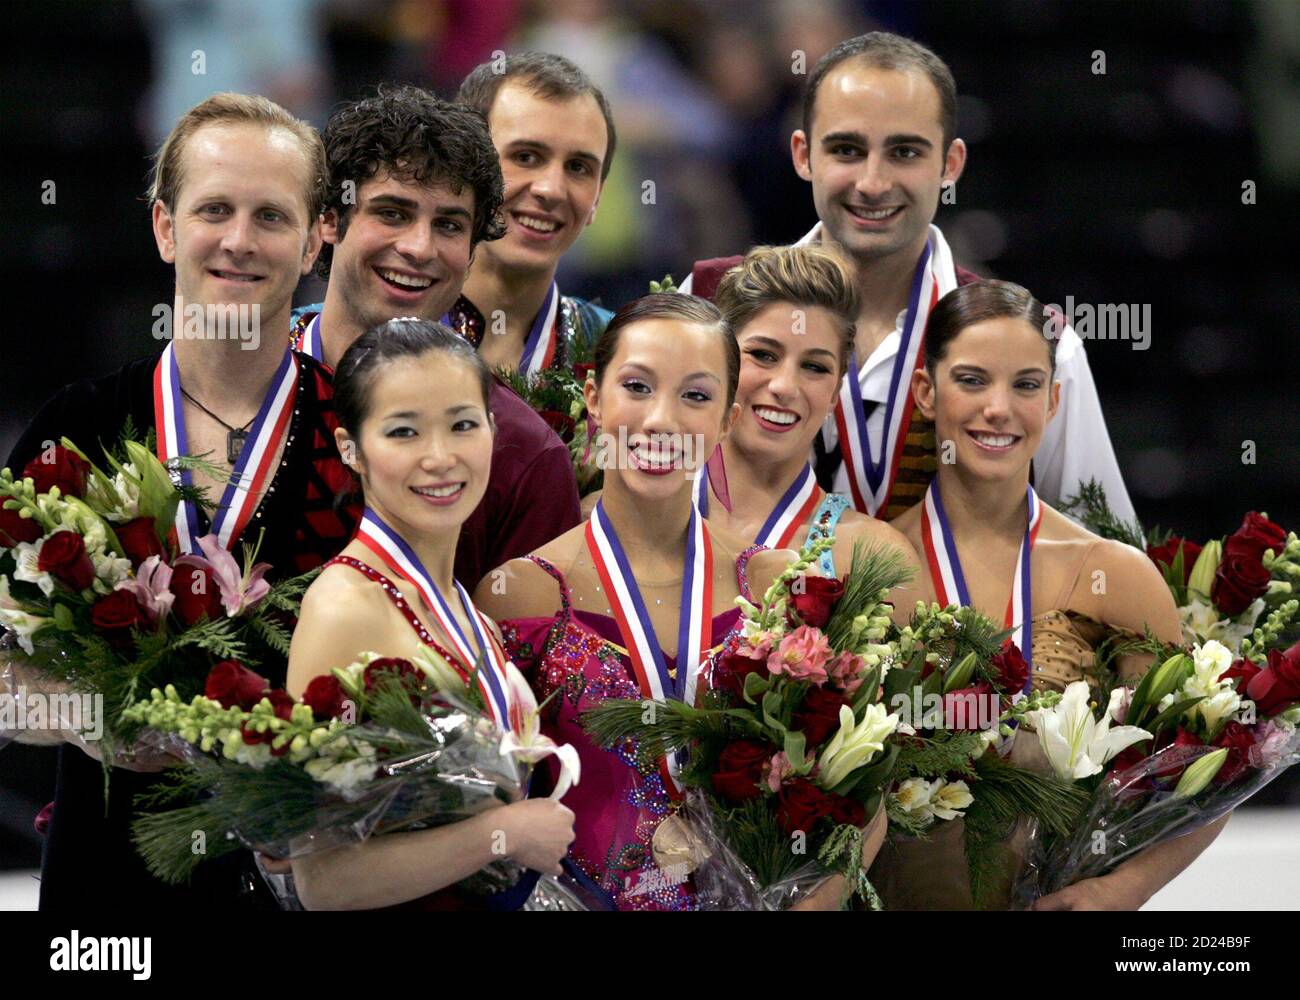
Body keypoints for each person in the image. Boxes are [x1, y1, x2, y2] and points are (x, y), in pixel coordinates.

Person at [2, 93, 356, 910]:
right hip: (109, 890)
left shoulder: (364, 437)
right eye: (214, 210)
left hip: (311, 882)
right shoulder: (77, 427)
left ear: (315, 240)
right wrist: (97, 718)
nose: (239, 239)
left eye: (271, 215)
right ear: (165, 228)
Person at [474, 294, 886, 910]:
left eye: (695, 396)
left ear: (728, 417)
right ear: (594, 397)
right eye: (637, 386)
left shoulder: (781, 591)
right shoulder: (518, 594)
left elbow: (867, 793)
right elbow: (489, 809)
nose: (661, 419)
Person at [683, 32, 1136, 525]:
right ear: (803, 154)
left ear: (951, 164)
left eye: (905, 153)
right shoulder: (707, 307)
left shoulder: (1040, 346)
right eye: (847, 150)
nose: (873, 183)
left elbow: (1104, 554)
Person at [880, 280, 1227, 910]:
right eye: (972, 380)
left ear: (1054, 398)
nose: (999, 408)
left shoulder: (1115, 574)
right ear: (927, 394)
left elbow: (1207, 772)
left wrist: (1123, 890)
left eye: (1026, 384)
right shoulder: (866, 566)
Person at [286, 319, 575, 910]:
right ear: (351, 449)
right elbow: (323, 879)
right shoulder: (345, 607)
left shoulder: (462, 606)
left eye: (462, 425)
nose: (440, 458)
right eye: (403, 432)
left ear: (494, 429)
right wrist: (506, 834)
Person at [289, 84, 581, 587]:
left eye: (448, 224)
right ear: (330, 221)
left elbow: (527, 658)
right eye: (392, 213)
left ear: (472, 250)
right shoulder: (236, 397)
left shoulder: (525, 455)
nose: (420, 247)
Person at [703, 243, 921, 581]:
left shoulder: (876, 558)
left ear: (835, 393)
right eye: (763, 355)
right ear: (718, 360)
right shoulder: (630, 514)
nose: (785, 386)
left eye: (815, 367)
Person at [453, 51, 617, 376]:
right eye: (526, 157)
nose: (552, 190)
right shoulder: (357, 332)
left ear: (597, 197)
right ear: (460, 166)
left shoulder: (619, 355)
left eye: (578, 167)